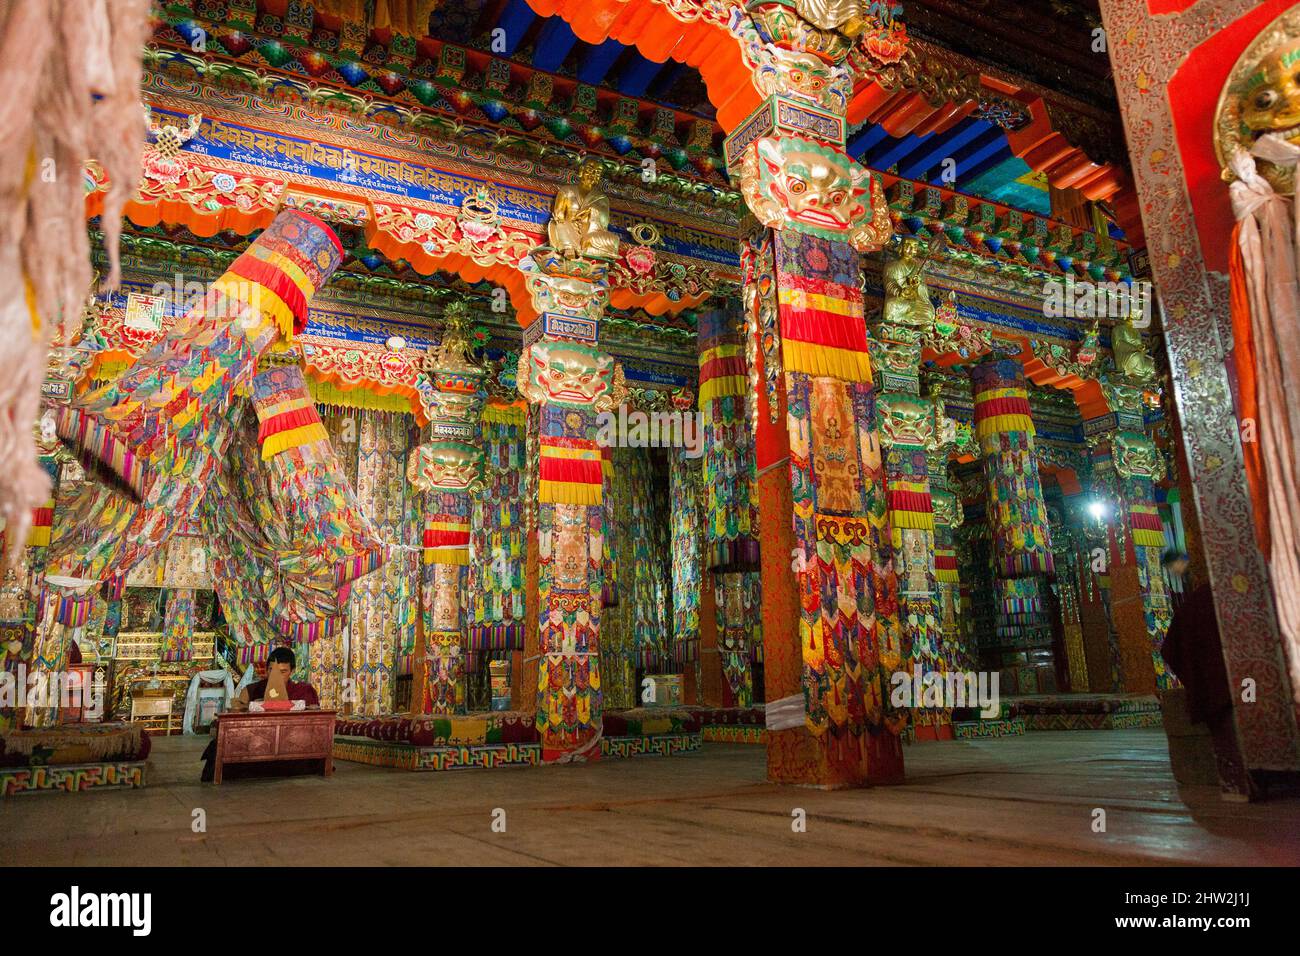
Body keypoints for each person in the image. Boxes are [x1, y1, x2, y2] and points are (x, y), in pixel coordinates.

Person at [1160, 584, 1255, 799]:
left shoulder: (1206, 597)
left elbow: (1171, 648)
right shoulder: (1233, 591)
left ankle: (1236, 782)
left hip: (1216, 688)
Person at [199, 647, 320, 782]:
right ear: (266, 670)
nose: (276, 677)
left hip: (290, 742)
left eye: (283, 672)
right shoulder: (252, 690)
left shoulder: (303, 691)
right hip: (257, 742)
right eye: (271, 671)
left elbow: (313, 724)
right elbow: (236, 719)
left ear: (292, 671)